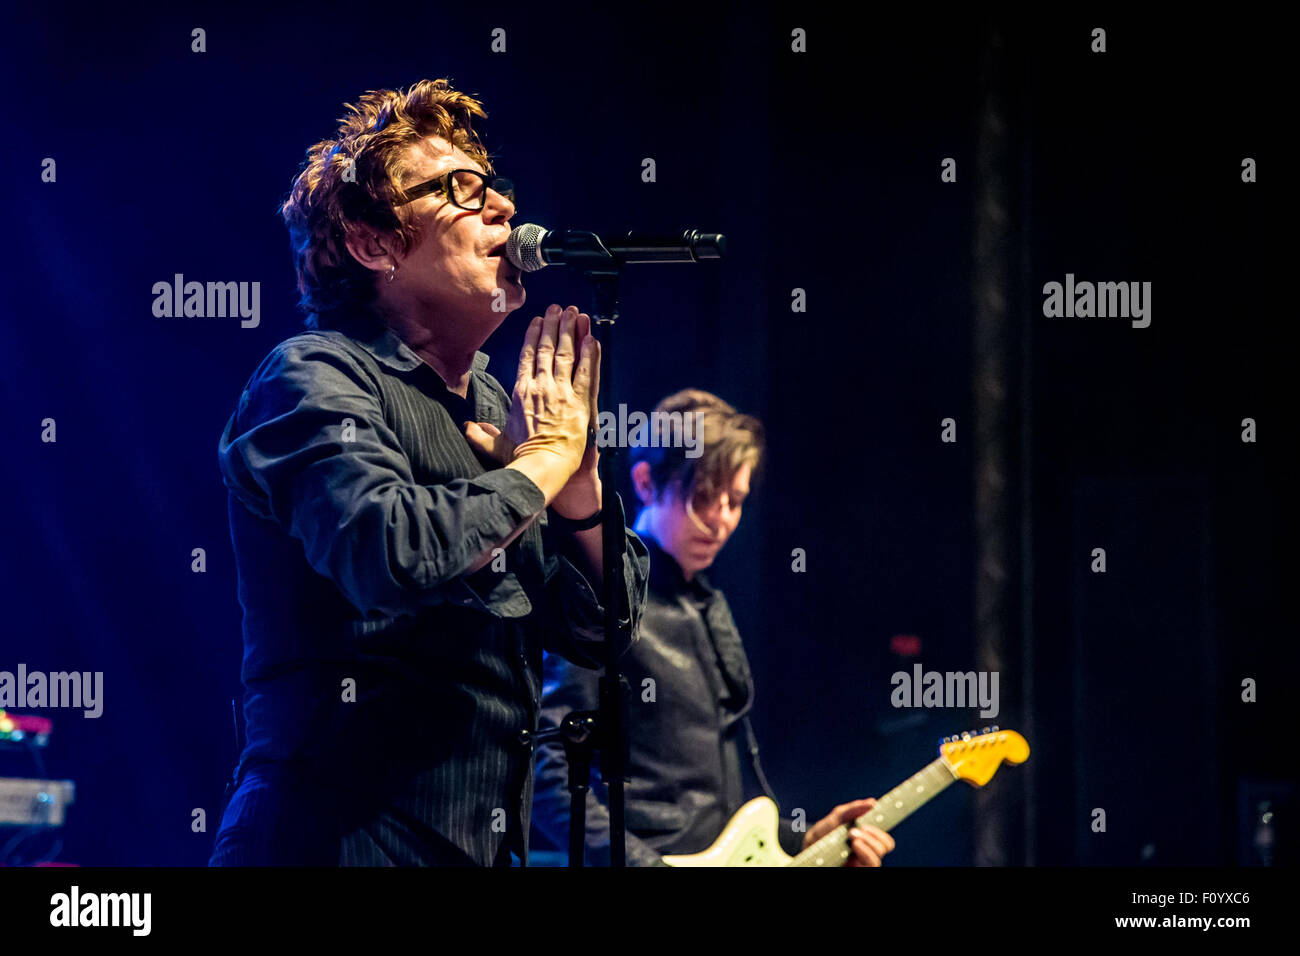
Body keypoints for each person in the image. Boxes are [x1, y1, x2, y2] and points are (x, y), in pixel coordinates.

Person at [208, 78, 649, 866]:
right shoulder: (312, 377)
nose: (503, 207)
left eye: (495, 187)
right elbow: (389, 551)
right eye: (461, 189)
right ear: (374, 243)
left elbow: (602, 632)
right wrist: (541, 464)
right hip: (336, 843)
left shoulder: (497, 406)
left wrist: (577, 495)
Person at [531, 390, 896, 866]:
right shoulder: (601, 601)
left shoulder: (709, 603)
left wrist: (803, 840)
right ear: (645, 482)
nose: (722, 518)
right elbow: (546, 774)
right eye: (704, 496)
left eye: (735, 500)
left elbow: (725, 809)